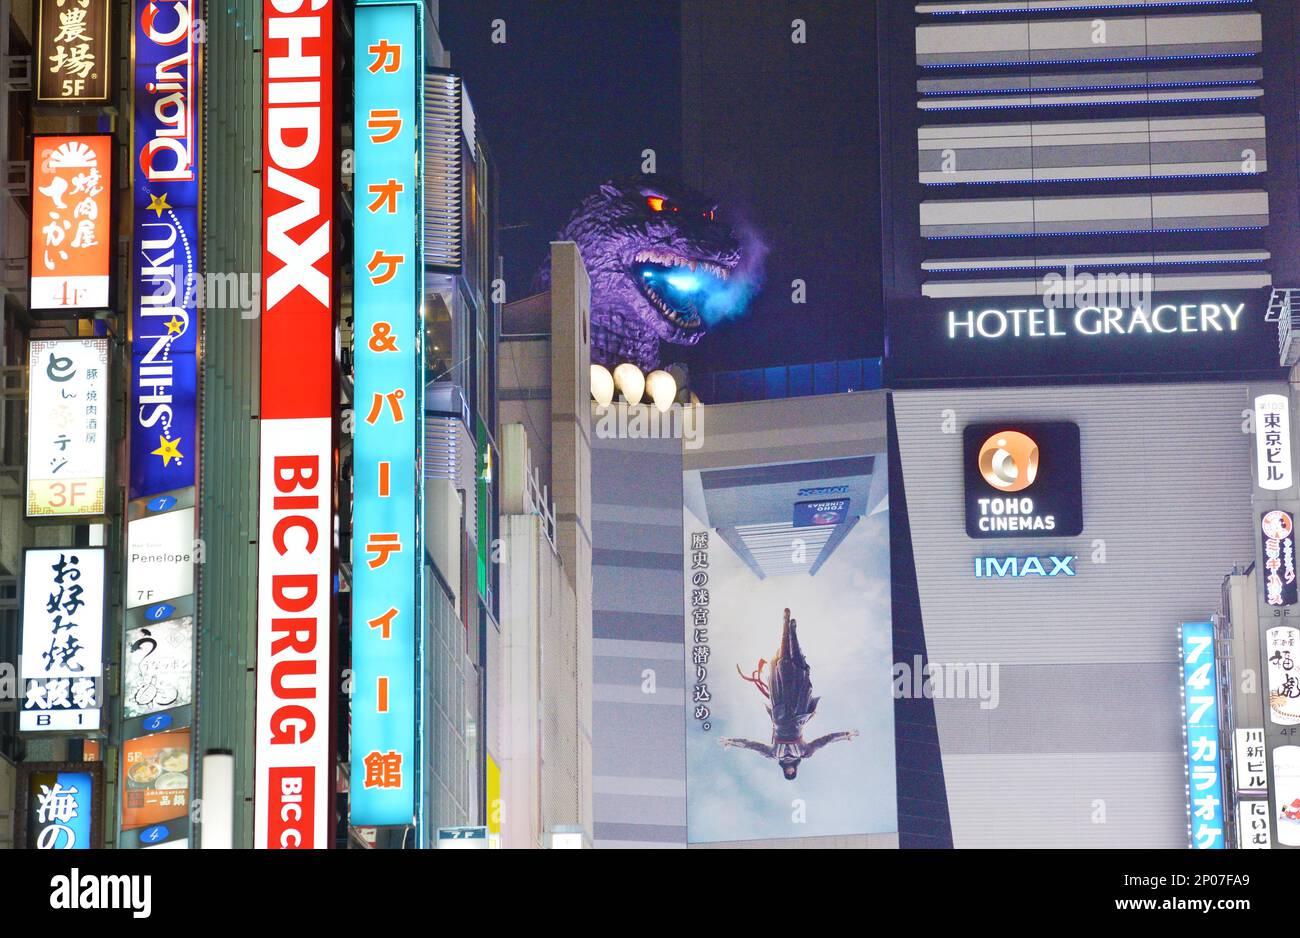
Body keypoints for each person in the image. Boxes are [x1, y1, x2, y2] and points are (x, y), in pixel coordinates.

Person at [719, 607, 857, 779]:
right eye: (792, 773)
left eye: (788, 773)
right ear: (795, 770)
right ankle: (793, 632)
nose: (790, 771)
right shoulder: (804, 753)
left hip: (780, 711)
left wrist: (732, 742)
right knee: (802, 671)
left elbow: (752, 745)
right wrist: (844, 736)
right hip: (799, 711)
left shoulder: (773, 754)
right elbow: (824, 741)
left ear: (784, 770)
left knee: (782, 665)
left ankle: (785, 624)